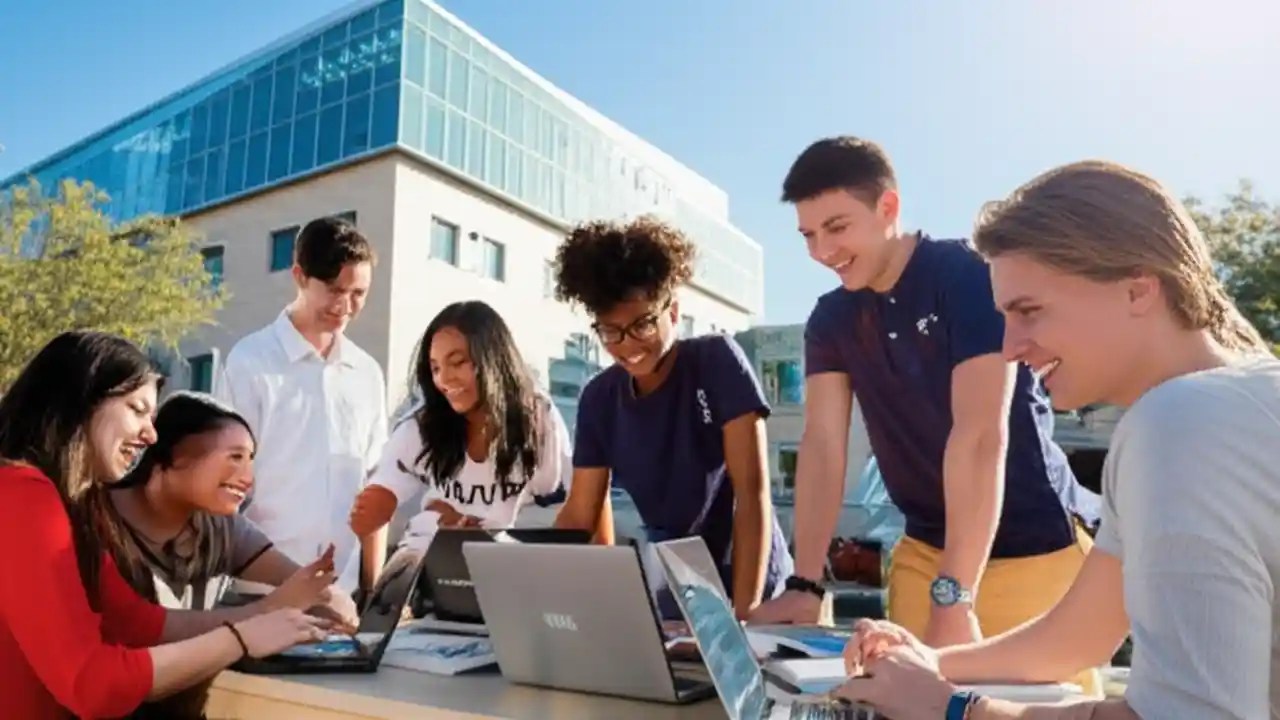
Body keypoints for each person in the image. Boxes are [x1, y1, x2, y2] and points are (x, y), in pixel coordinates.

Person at [838, 161, 1280, 720]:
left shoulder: (1180, 425)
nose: (1010, 348)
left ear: (1138, 290)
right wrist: (928, 661)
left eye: (1029, 312)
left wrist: (952, 710)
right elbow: (1075, 640)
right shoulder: (1227, 406)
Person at [752, 137, 1099, 687]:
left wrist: (955, 596)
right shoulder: (831, 320)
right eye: (808, 235)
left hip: (1033, 546)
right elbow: (821, 446)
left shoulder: (966, 276)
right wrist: (806, 584)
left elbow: (980, 436)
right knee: (909, 700)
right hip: (922, 552)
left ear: (887, 208)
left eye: (837, 227)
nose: (821, 251)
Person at [0, 331, 327, 720]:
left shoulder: (70, 506)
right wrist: (238, 639)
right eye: (137, 410)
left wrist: (268, 616)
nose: (151, 435)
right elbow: (89, 684)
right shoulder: (23, 497)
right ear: (81, 401)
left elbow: (140, 625)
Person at [551, 216, 793, 621]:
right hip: (679, 586)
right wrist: (523, 572)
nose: (628, 345)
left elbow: (752, 494)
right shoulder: (599, 398)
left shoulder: (716, 360)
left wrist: (746, 610)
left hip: (751, 580)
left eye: (643, 324)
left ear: (673, 312)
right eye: (611, 332)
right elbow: (580, 516)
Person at [107, 391, 362, 719]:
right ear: (174, 454)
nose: (248, 479)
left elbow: (306, 589)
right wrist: (269, 610)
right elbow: (141, 631)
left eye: (251, 460)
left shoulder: (221, 528)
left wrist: (327, 603)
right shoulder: (95, 520)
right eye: (234, 457)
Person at [215, 215, 389, 597]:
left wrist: (372, 591)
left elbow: (377, 487)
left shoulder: (367, 373)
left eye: (358, 293)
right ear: (298, 275)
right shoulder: (250, 361)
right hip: (260, 593)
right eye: (333, 289)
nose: (345, 305)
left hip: (342, 597)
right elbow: (222, 483)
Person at [348, 300, 572, 550]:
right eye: (435, 368)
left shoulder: (538, 417)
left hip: (505, 560)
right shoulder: (422, 425)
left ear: (491, 358)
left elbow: (575, 501)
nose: (444, 379)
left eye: (457, 362)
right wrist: (378, 504)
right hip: (430, 555)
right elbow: (382, 490)